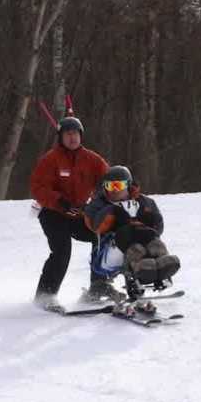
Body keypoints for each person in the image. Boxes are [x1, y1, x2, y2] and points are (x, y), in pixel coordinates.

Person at [30, 116, 117, 312]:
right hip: (53, 213)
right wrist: (59, 201)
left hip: (78, 214)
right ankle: (45, 297)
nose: (72, 138)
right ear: (60, 137)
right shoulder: (50, 159)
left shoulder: (92, 159)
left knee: (102, 235)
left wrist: (126, 188)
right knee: (62, 251)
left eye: (76, 133)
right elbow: (38, 187)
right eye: (68, 134)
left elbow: (110, 180)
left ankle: (98, 287)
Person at [83, 165, 180, 286]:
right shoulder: (98, 204)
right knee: (130, 238)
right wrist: (114, 211)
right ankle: (140, 272)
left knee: (151, 238)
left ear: (128, 185)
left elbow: (158, 226)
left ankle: (162, 266)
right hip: (108, 252)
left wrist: (145, 222)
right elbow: (96, 226)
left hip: (141, 241)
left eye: (118, 185)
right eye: (109, 186)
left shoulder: (144, 202)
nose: (114, 190)